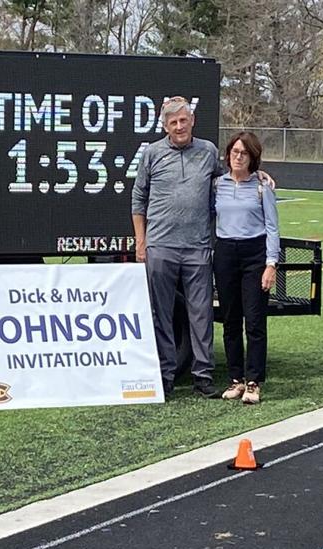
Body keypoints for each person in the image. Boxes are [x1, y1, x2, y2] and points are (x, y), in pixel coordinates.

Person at [131, 96, 224, 397]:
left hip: (197, 248)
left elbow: (226, 185)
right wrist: (141, 242)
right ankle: (165, 374)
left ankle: (203, 375)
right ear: (165, 126)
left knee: (201, 314)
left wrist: (257, 176)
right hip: (160, 247)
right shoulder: (152, 154)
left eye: (184, 120)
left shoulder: (208, 151)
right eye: (173, 122)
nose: (180, 126)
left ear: (192, 121)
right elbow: (138, 199)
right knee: (162, 313)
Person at [214, 132, 280, 405]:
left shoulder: (262, 187)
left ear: (253, 158)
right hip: (225, 252)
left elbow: (272, 228)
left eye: (244, 153)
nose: (238, 156)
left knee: (254, 321)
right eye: (234, 151)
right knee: (230, 321)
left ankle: (253, 382)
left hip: (254, 254)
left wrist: (270, 264)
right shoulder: (217, 185)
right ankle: (235, 379)